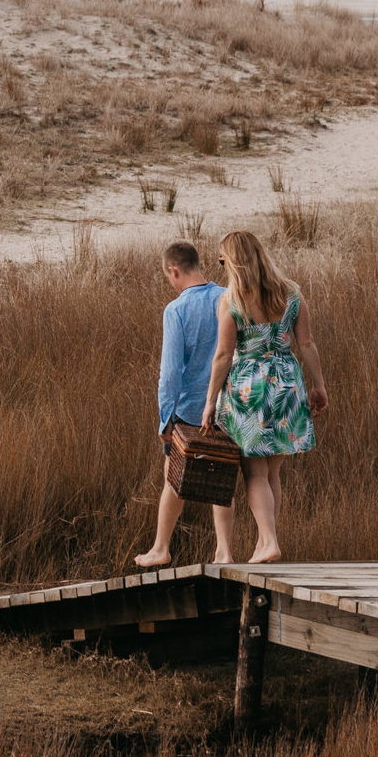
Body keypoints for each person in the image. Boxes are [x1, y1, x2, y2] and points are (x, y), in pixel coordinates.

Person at [200, 228, 329, 565]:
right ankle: (263, 544)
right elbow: (308, 344)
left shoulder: (231, 301)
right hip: (287, 383)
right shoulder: (292, 294)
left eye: (222, 260)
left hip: (249, 389)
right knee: (272, 474)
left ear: (233, 263)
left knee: (254, 473)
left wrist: (210, 401)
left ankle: (269, 541)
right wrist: (318, 386)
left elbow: (224, 356)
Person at [135, 241, 236, 568]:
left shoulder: (176, 310)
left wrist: (166, 419)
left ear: (174, 270)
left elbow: (170, 372)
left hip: (189, 410)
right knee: (221, 478)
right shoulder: (227, 297)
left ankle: (161, 547)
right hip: (226, 406)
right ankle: (224, 552)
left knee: (173, 478)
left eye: (169, 276)